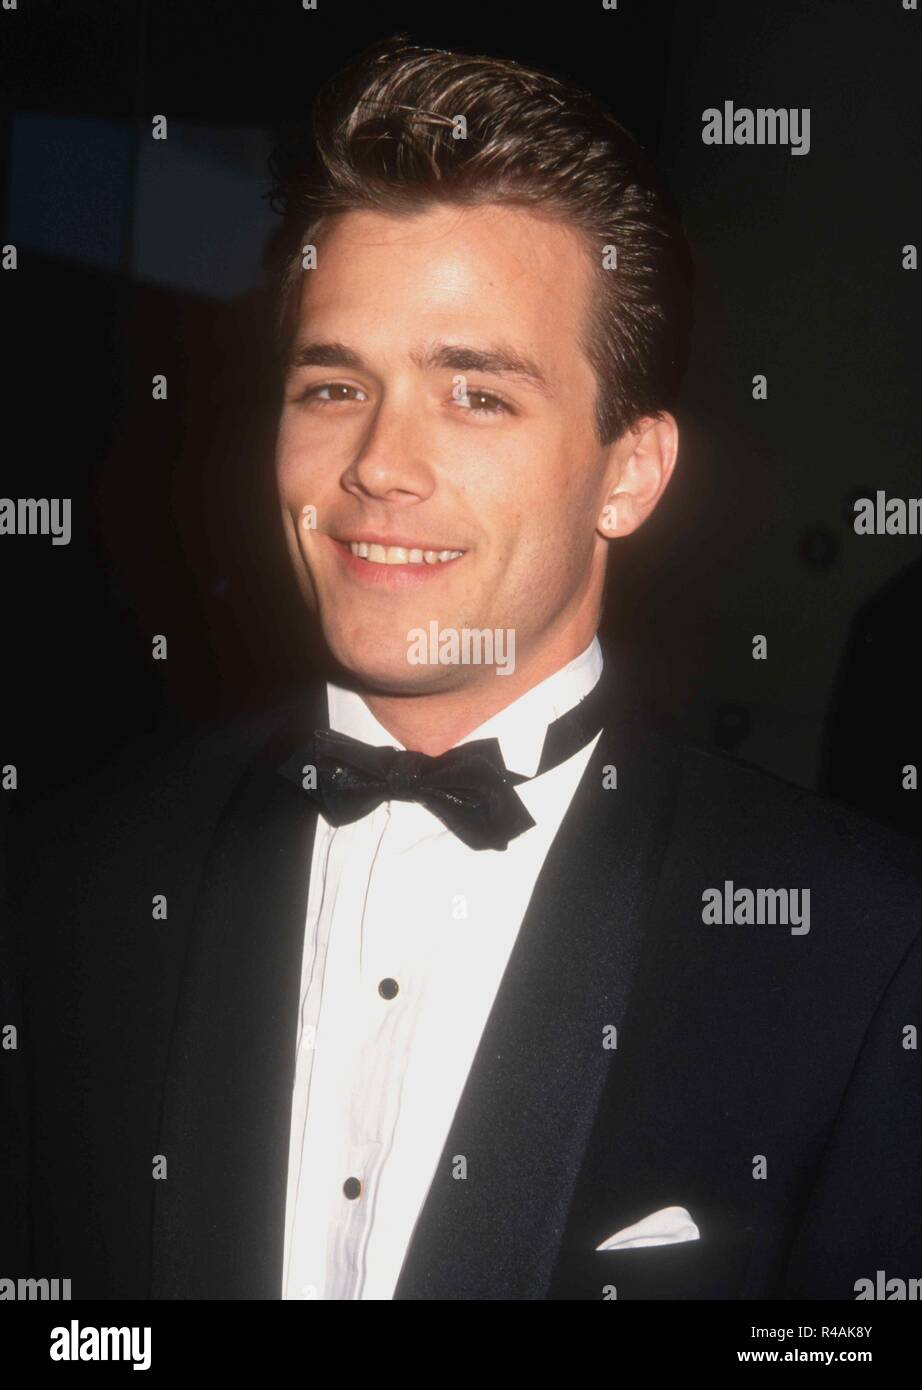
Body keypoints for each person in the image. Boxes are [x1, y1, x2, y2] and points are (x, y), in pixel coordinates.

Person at [9, 35, 922, 1302]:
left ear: (628, 473)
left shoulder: (864, 944)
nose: (379, 461)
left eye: (477, 395)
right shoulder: (76, 884)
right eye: (333, 384)